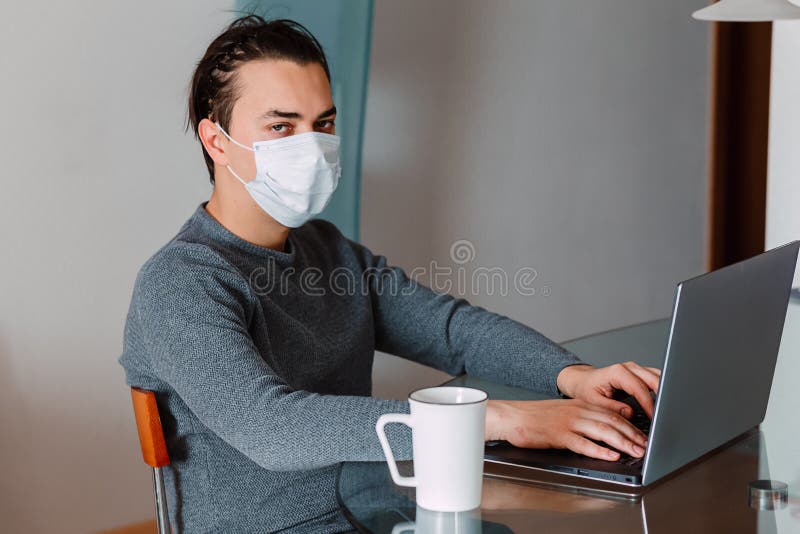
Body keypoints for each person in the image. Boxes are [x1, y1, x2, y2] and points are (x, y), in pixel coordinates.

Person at [119, 15, 661, 533]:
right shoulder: (182, 283)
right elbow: (271, 429)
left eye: (322, 124)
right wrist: (496, 420)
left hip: (379, 509)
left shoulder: (328, 251)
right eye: (281, 126)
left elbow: (452, 330)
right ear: (217, 141)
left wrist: (572, 376)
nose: (310, 147)